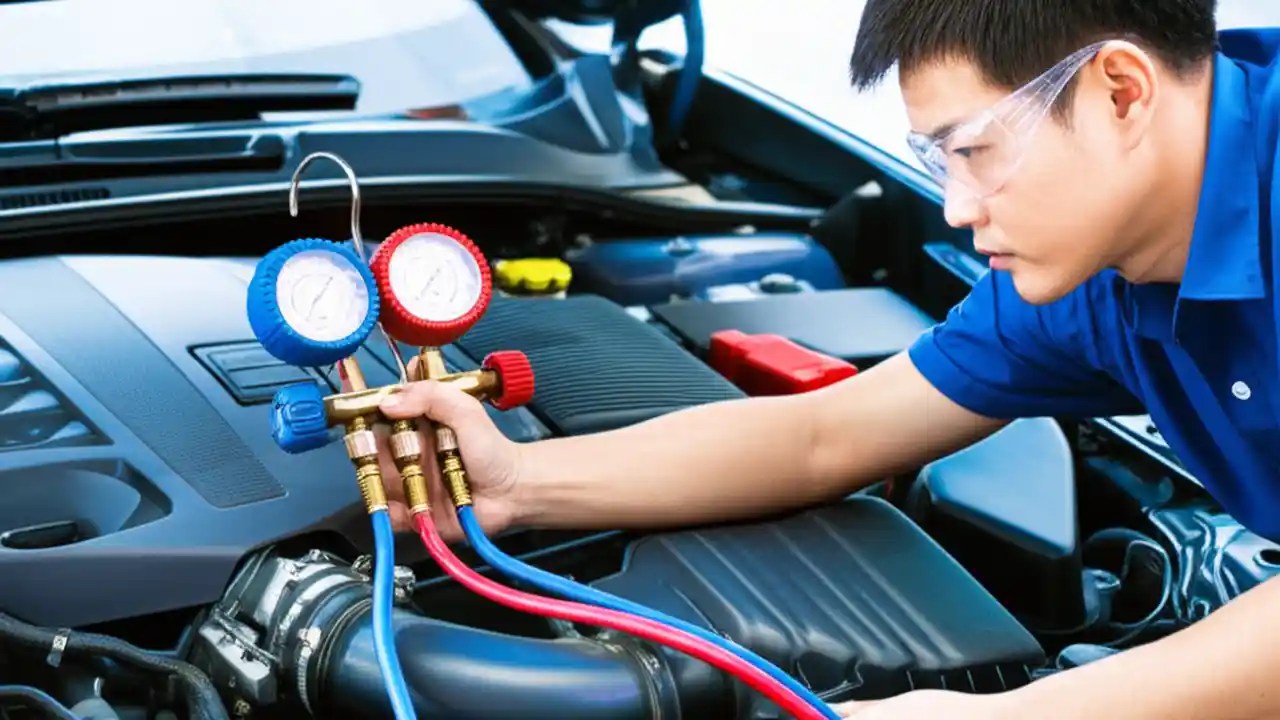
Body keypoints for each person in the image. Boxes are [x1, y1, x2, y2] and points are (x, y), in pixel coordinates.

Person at [375, 0, 1280, 717]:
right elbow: (828, 434)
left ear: (1121, 90)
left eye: (975, 151)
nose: (958, 208)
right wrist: (515, 486)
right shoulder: (1085, 275)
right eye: (936, 160)